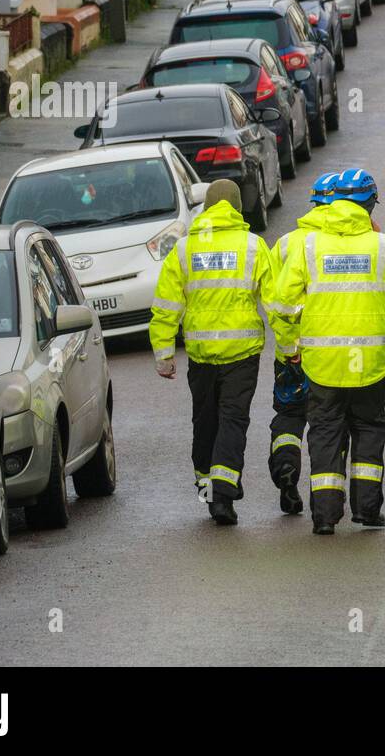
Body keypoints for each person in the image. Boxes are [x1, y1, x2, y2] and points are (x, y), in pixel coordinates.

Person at [270, 168, 385, 535]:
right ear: (370, 206)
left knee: (324, 431)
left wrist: (291, 343)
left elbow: (282, 303)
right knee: (368, 428)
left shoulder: (308, 246)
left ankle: (324, 516)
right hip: (371, 360)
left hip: (322, 361)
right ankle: (367, 511)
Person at [150, 179, 277, 526]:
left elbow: (165, 306)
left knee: (205, 422)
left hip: (201, 356)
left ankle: (209, 490)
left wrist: (163, 355)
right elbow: (276, 304)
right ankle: (222, 491)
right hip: (242, 354)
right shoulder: (253, 246)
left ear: (206, 207)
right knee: (233, 420)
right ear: (237, 207)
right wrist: (290, 344)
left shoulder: (184, 250)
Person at [266, 172, 339, 517]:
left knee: (289, 415)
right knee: (329, 423)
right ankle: (326, 494)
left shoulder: (283, 244)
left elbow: (274, 302)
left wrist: (289, 346)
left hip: (290, 353)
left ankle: (286, 467)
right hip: (331, 353)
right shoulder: (342, 241)